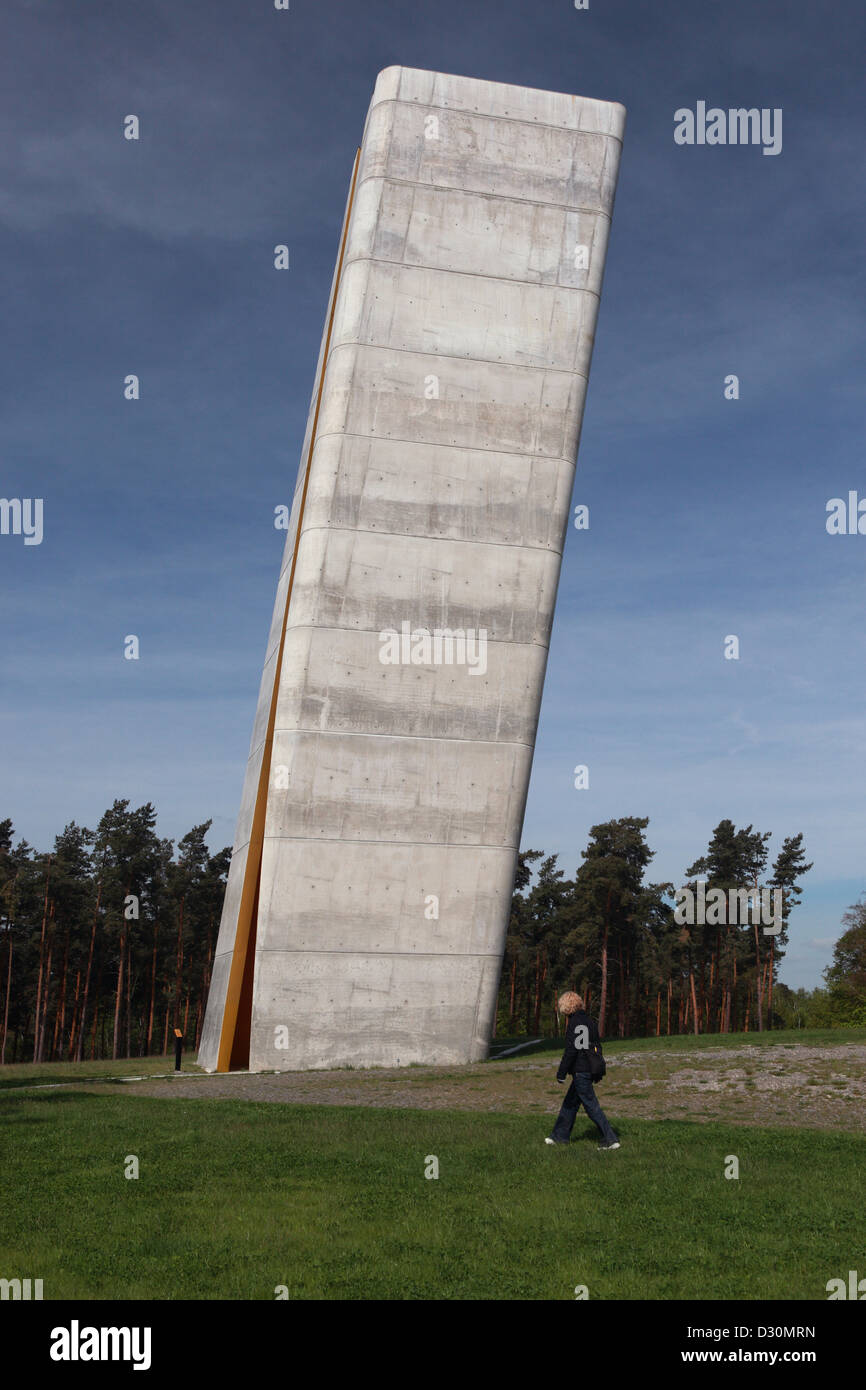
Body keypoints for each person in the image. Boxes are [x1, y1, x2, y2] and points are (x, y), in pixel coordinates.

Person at [545, 991, 620, 1150]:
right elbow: (594, 1047)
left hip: (581, 1070)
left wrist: (561, 1072)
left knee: (591, 1106)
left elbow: (573, 1050)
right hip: (588, 1069)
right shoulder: (589, 1021)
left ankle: (610, 1139)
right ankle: (559, 1136)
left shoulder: (575, 1023)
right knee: (570, 1103)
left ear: (567, 1006)